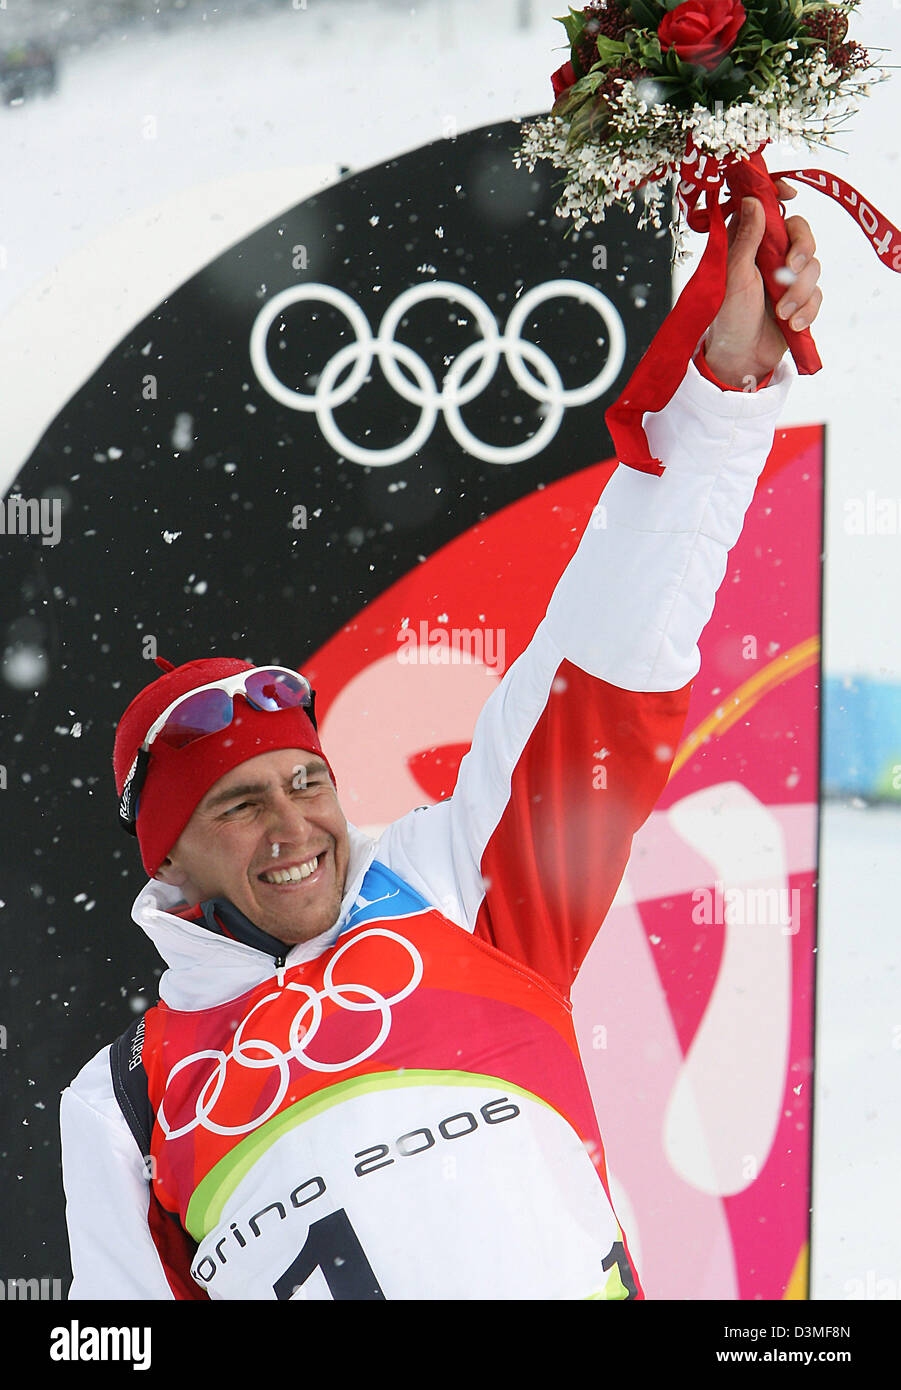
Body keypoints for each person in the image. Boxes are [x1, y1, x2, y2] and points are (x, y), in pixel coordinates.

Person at [59, 196, 822, 1300]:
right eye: (237, 804)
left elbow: (605, 651)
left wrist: (720, 397)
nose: (294, 826)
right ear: (168, 855)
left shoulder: (449, 885)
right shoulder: (125, 1096)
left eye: (307, 780)